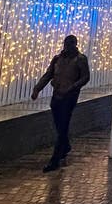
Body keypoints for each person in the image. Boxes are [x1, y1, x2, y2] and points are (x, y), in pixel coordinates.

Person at [31, 34, 90, 173]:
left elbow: (85, 77)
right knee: (59, 125)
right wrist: (37, 89)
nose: (67, 46)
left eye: (70, 44)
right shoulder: (58, 59)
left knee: (63, 125)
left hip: (69, 97)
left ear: (75, 44)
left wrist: (73, 87)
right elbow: (48, 74)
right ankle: (65, 145)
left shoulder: (80, 59)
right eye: (66, 44)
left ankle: (55, 160)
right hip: (56, 95)